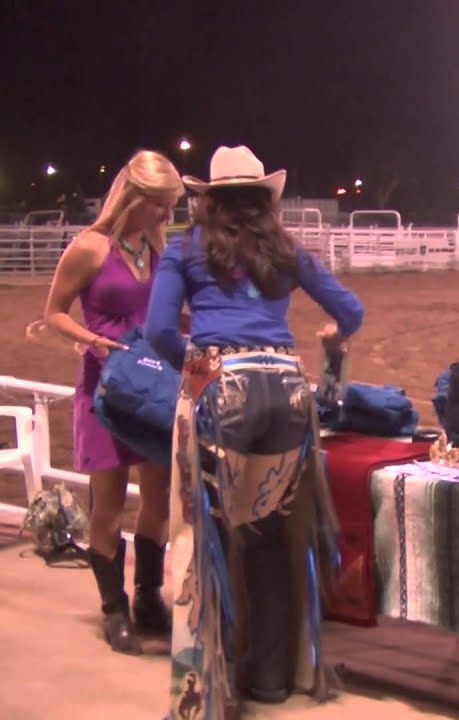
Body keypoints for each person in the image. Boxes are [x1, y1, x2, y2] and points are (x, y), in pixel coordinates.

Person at [145, 145, 364, 718]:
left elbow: (158, 330)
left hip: (225, 389)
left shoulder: (186, 248)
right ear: (266, 199)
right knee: (267, 537)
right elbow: (352, 311)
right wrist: (331, 340)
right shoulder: (287, 250)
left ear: (208, 199)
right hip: (288, 391)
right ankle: (270, 678)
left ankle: (213, 688)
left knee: (209, 535)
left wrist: (199, 369)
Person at [35, 149, 183, 654]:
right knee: (109, 504)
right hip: (106, 392)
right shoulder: (90, 247)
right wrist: (92, 339)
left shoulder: (160, 249)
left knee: (159, 498)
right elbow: (54, 312)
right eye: (161, 204)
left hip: (154, 388)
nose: (167, 215)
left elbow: (163, 316)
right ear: (135, 198)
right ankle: (113, 608)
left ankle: (147, 598)